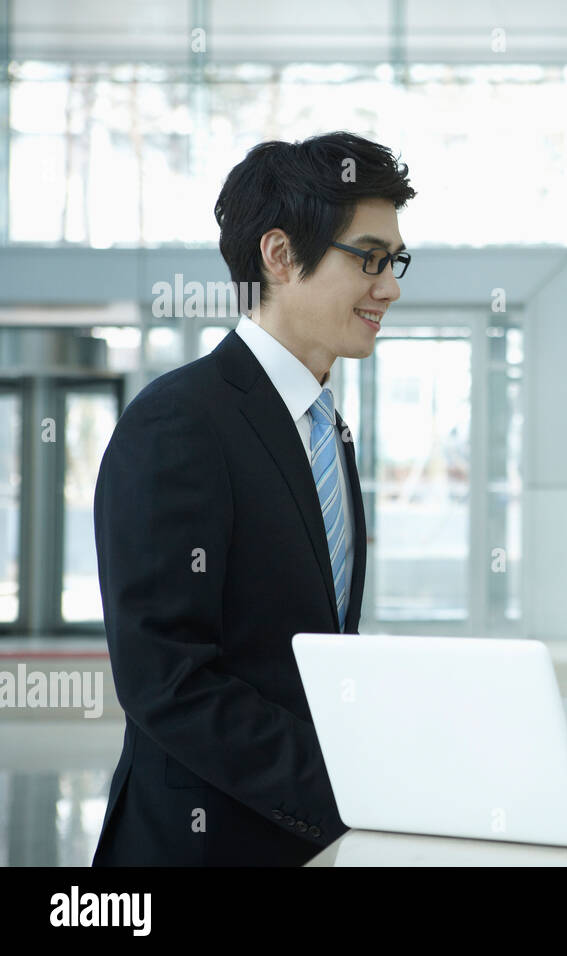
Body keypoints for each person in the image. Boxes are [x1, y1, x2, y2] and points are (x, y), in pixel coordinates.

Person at [91, 131, 415, 865]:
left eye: (394, 262)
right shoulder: (180, 422)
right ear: (279, 255)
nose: (389, 286)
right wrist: (346, 793)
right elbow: (165, 679)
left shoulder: (326, 429)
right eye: (368, 258)